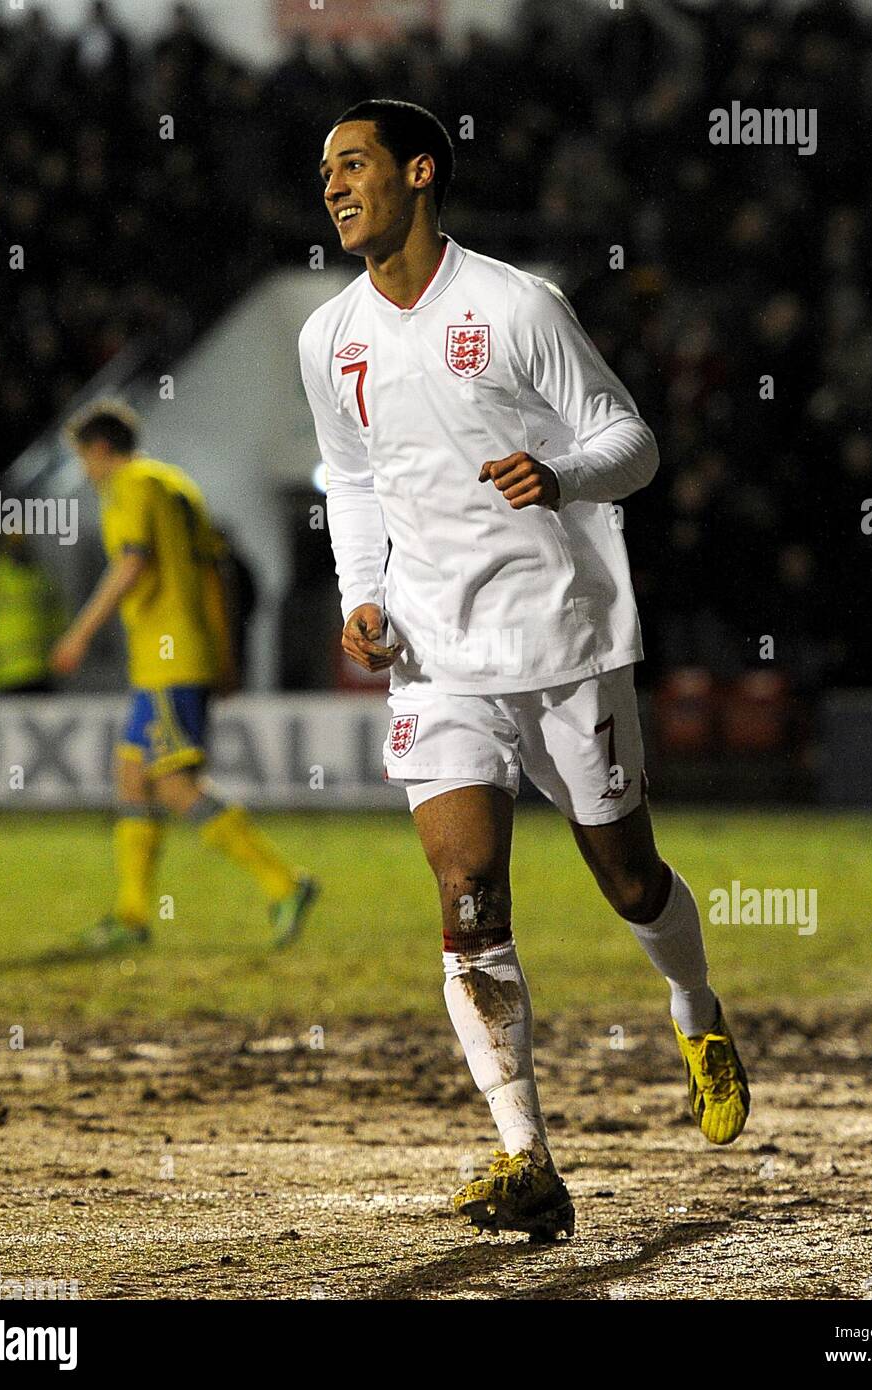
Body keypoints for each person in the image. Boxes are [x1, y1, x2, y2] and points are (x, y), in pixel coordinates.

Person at [299, 99, 749, 1241]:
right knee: (467, 905)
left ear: (419, 172)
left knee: (630, 881)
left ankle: (692, 1006)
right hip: (433, 656)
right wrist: (361, 593)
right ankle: (524, 1153)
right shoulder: (327, 335)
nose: (334, 187)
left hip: (559, 640)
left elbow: (632, 440)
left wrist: (559, 473)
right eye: (324, 172)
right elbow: (348, 478)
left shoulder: (513, 304)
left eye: (353, 166)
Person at [51, 400, 317, 951]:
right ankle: (130, 916)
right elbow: (217, 571)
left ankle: (283, 883)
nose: (86, 470)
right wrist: (225, 654)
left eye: (84, 458)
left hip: (166, 662)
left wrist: (79, 634)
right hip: (185, 654)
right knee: (132, 774)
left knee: (174, 784)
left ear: (101, 450)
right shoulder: (177, 486)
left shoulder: (128, 488)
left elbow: (132, 562)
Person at [0, 532, 66, 693]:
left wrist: (62, 647)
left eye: (21, 540)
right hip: (2, 673)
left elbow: (57, 616)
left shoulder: (40, 576)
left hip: (39, 671)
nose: (17, 545)